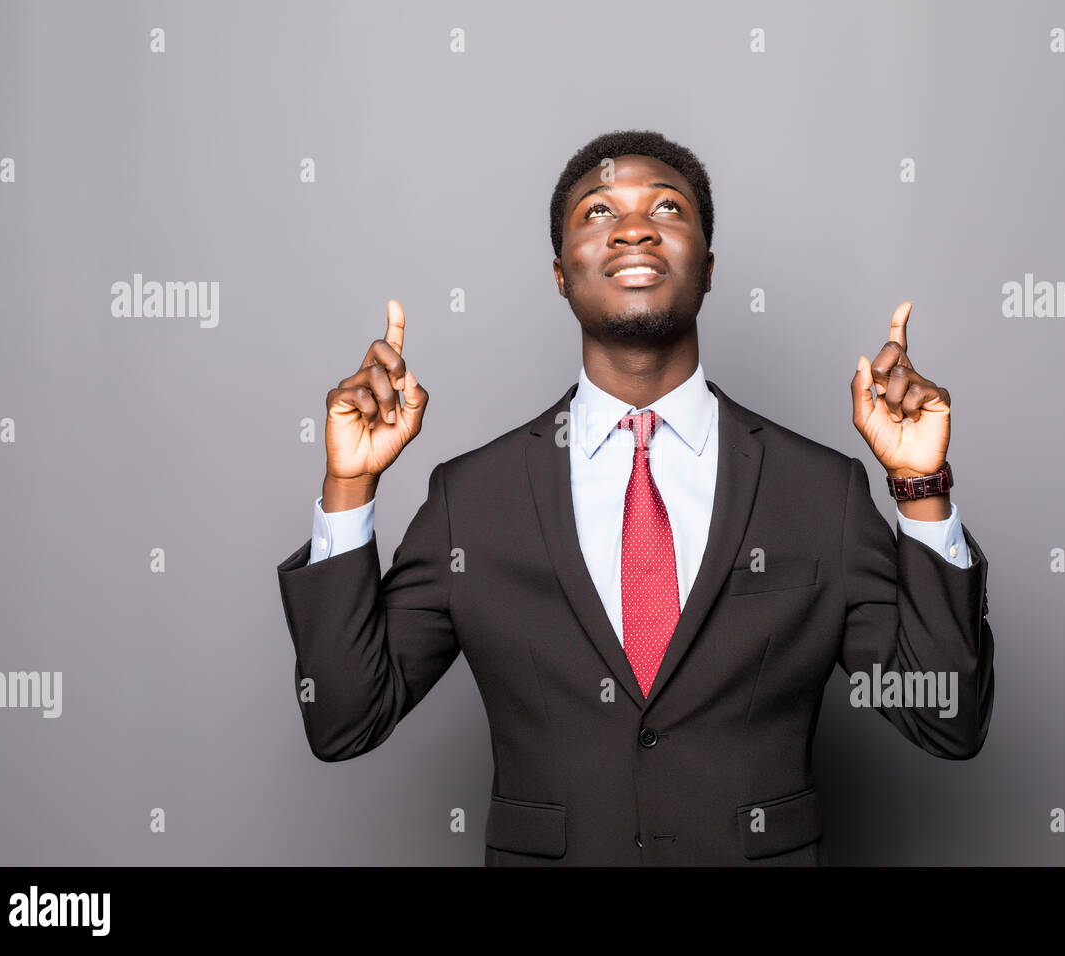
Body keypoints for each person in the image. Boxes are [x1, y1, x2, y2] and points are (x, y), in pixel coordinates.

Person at [276, 129, 994, 866]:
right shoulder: (473, 499)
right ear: (561, 274)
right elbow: (343, 719)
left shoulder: (820, 492)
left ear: (709, 269)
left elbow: (946, 722)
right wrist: (349, 487)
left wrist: (920, 489)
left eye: (666, 207)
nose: (633, 227)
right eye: (596, 212)